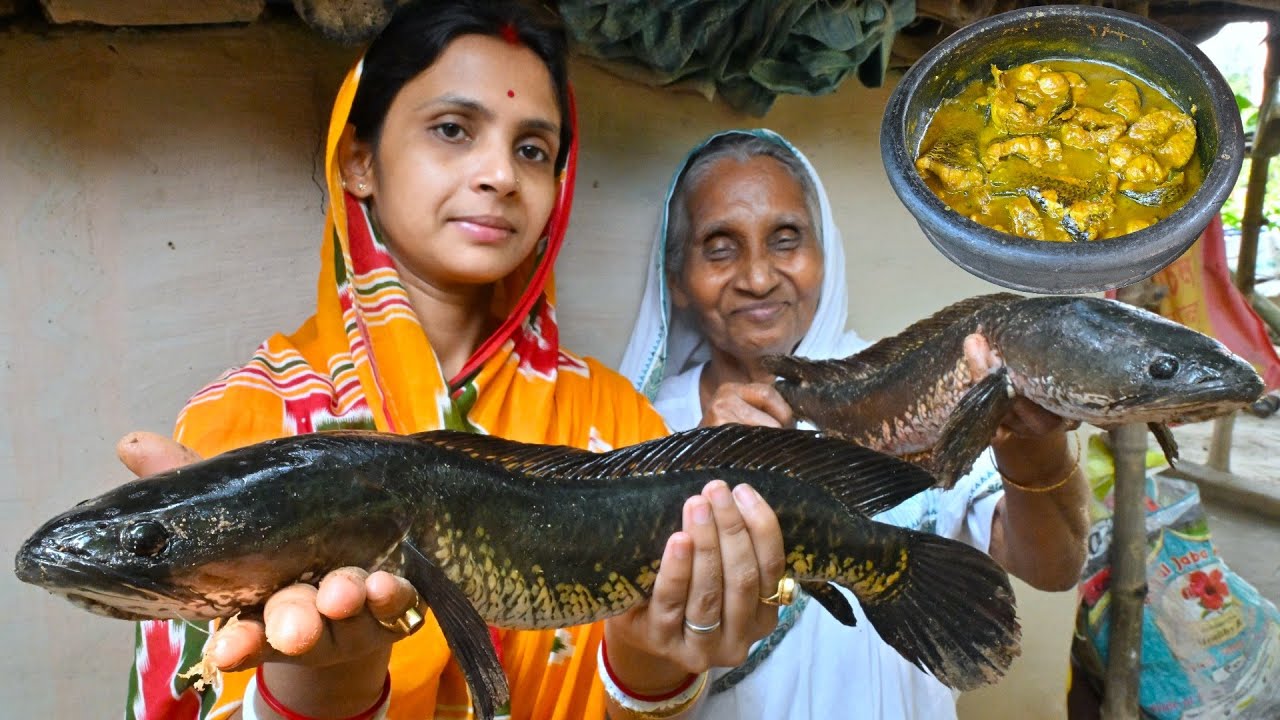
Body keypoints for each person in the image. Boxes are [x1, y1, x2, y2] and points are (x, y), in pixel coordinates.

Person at [119, 5, 787, 719]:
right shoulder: (247, 424)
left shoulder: (616, 422)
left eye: (533, 149)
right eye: (452, 130)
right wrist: (318, 691)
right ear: (359, 159)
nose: (500, 173)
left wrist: (653, 666)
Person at [619, 128, 1091, 719]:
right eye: (720, 247)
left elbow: (1056, 566)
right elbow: (631, 675)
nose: (758, 276)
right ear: (677, 280)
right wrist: (703, 467)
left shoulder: (909, 395)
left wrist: (1033, 443)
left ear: (826, 254)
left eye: (786, 240)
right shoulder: (641, 430)